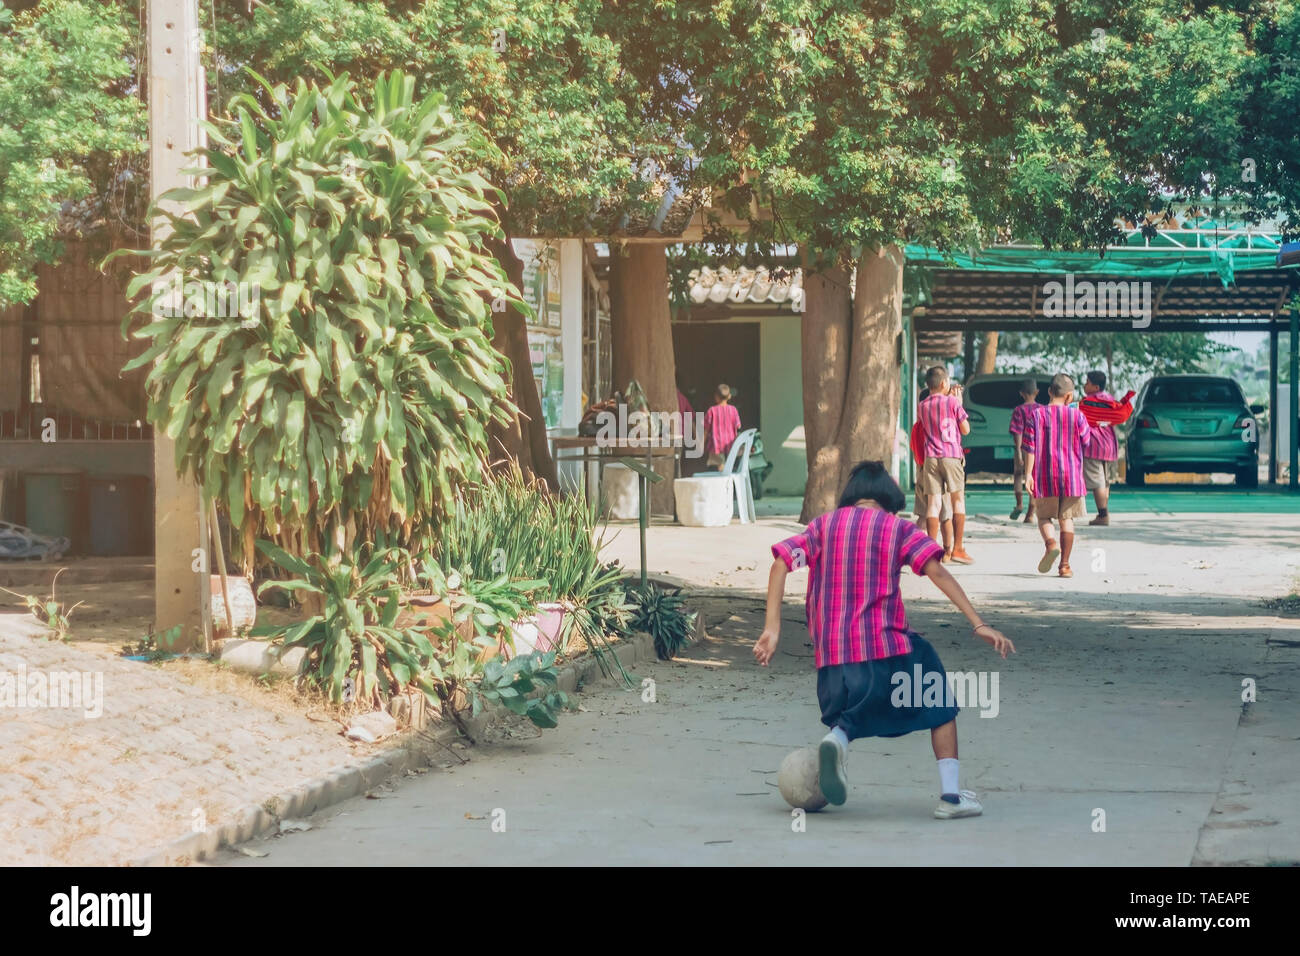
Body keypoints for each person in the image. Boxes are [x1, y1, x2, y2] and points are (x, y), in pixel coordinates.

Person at [753, 460, 1014, 818]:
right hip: (882, 650)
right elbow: (937, 571)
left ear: (851, 496)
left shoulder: (822, 527)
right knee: (939, 702)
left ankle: (838, 740)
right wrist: (978, 623)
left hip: (831, 663)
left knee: (852, 713)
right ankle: (952, 798)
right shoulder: (896, 528)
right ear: (890, 499)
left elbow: (781, 561)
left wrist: (772, 628)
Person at [1024, 373, 1093, 578]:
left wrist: (1028, 474)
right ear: (1069, 397)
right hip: (1071, 477)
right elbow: (1087, 442)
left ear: (1049, 391)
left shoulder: (1036, 415)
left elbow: (1029, 447)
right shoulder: (1078, 416)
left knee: (1044, 516)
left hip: (1045, 476)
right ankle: (1064, 565)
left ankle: (1051, 544)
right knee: (1067, 519)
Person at [917, 367, 973, 563]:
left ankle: (931, 550)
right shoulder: (953, 402)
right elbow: (965, 430)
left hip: (931, 457)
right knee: (958, 501)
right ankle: (958, 548)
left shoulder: (922, 406)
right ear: (943, 384)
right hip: (951, 455)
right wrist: (959, 404)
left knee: (933, 504)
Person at [910, 409, 954, 559]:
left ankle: (915, 547)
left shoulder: (916, 427)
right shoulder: (935, 427)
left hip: (921, 471)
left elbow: (914, 449)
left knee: (923, 515)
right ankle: (947, 551)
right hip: (936, 472)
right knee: (945, 515)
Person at [1081, 370, 1118, 526]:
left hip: (1094, 445)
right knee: (1104, 481)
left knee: (1097, 482)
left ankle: (1103, 515)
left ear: (1095, 387)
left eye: (1087, 382)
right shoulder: (1110, 399)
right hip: (1109, 445)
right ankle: (1104, 510)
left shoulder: (1088, 402)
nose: (1085, 385)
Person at [1008, 378, 1040, 523]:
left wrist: (1019, 452)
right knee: (1033, 478)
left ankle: (1019, 504)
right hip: (1036, 450)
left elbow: (1018, 432)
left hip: (1023, 449)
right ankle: (1030, 513)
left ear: (1021, 394)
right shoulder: (1041, 410)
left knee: (1018, 476)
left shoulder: (1019, 410)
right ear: (1037, 392)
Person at [703, 383, 742, 468]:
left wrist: (701, 444)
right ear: (729, 396)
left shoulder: (712, 411)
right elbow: (738, 426)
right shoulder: (733, 410)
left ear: (716, 396)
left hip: (716, 446)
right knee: (730, 470)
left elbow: (706, 430)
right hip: (731, 445)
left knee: (718, 472)